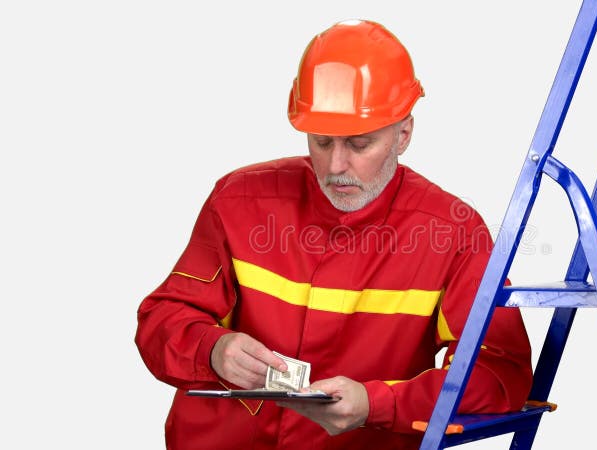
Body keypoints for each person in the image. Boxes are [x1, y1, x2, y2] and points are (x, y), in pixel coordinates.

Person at [135, 19, 533, 450]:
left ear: (403, 135)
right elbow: (161, 320)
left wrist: (378, 403)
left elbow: (498, 371)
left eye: (359, 145)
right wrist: (212, 350)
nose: (336, 165)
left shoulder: (452, 232)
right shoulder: (238, 201)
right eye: (322, 142)